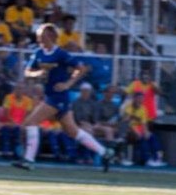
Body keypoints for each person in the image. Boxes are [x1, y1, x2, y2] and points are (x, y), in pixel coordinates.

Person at [11, 22, 115, 171]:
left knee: (30, 122)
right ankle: (105, 152)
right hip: (51, 96)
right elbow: (27, 72)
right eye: (39, 36)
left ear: (52, 36)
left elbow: (81, 68)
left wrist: (68, 84)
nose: (40, 39)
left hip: (58, 97)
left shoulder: (60, 54)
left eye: (42, 36)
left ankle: (28, 160)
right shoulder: (38, 53)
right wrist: (37, 73)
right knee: (73, 131)